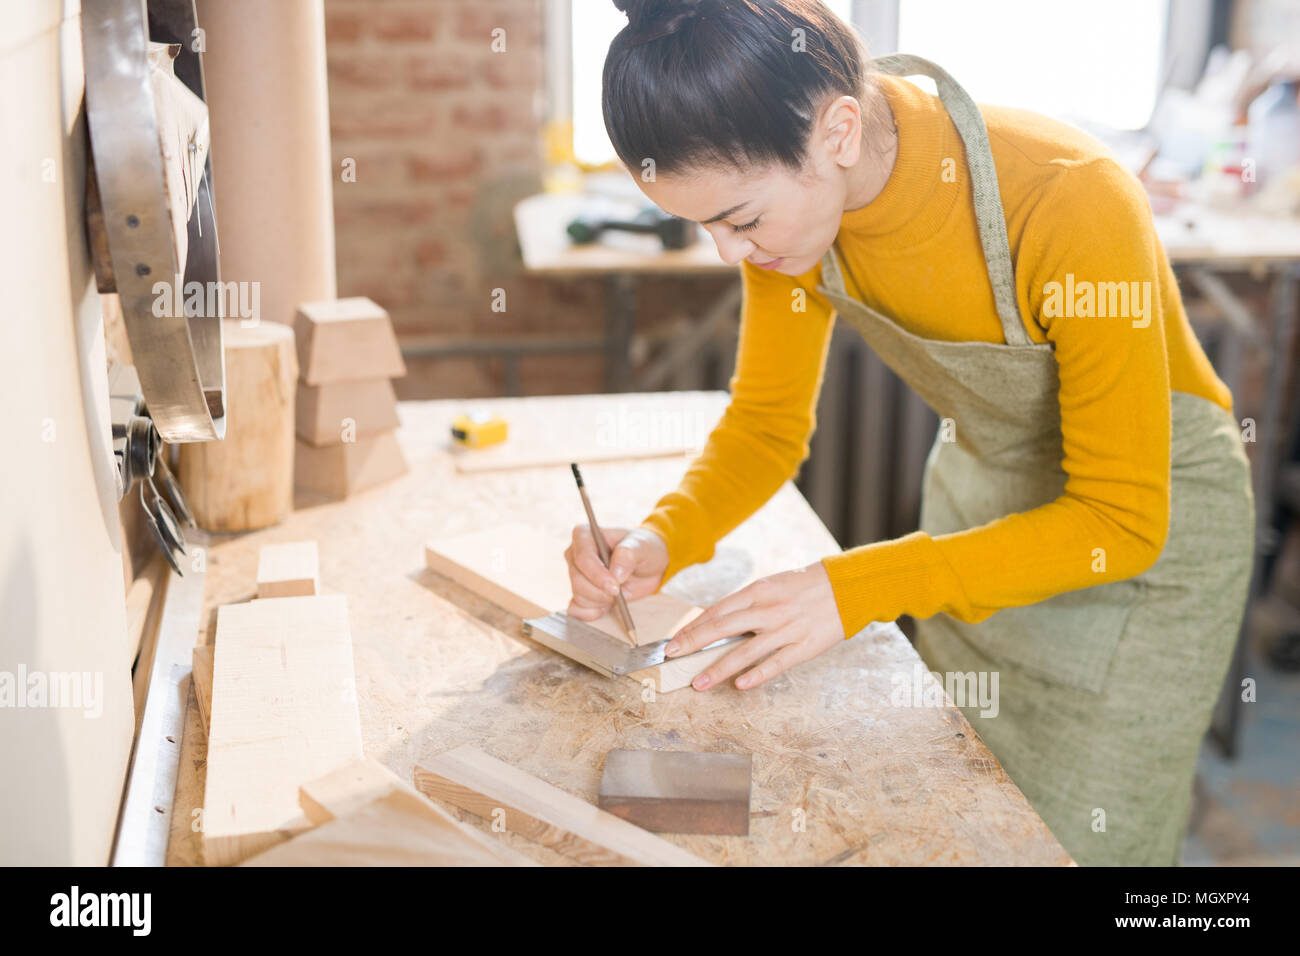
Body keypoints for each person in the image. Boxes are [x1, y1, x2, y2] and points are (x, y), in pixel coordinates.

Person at [564, 0, 1255, 866]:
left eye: (738, 219)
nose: (726, 254)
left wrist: (858, 585)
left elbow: (1121, 522)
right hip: (980, 514)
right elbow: (766, 423)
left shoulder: (1070, 194)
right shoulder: (793, 228)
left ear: (838, 130)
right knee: (963, 820)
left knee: (1082, 846)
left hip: (1141, 555)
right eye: (700, 225)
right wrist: (666, 536)